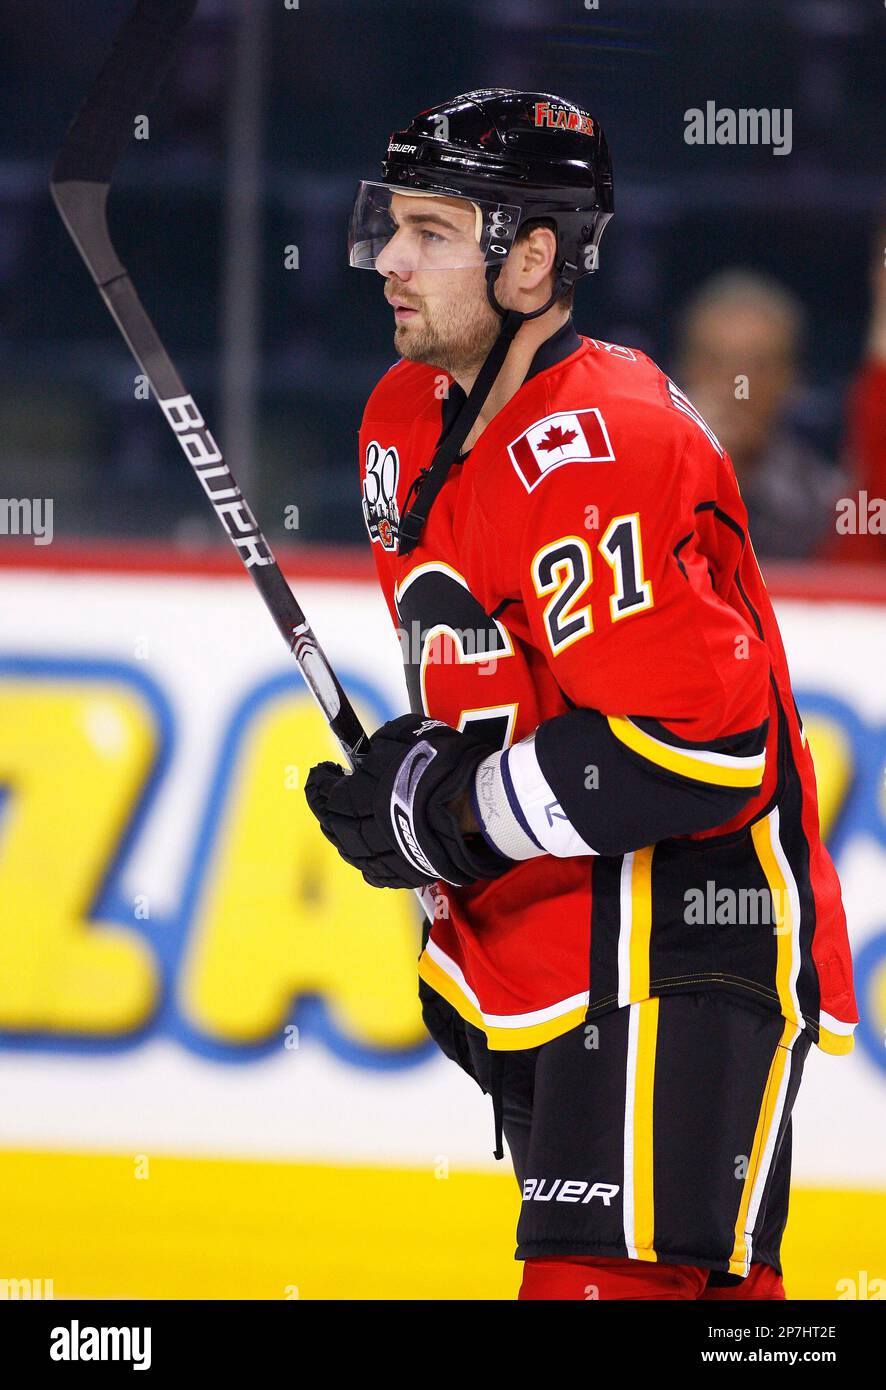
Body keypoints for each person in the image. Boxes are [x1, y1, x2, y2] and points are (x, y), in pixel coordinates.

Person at [305, 90, 857, 1300]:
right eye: (392, 224)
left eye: (433, 231)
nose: (389, 260)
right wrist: (416, 778)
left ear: (532, 260)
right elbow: (505, 667)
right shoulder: (404, 418)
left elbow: (701, 751)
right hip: (559, 936)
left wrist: (456, 814)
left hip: (679, 945)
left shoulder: (611, 446)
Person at [674, 270, 844, 562]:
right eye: (715, 361)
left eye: (759, 365)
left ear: (789, 380)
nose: (737, 383)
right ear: (682, 371)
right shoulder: (640, 484)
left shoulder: (828, 502)